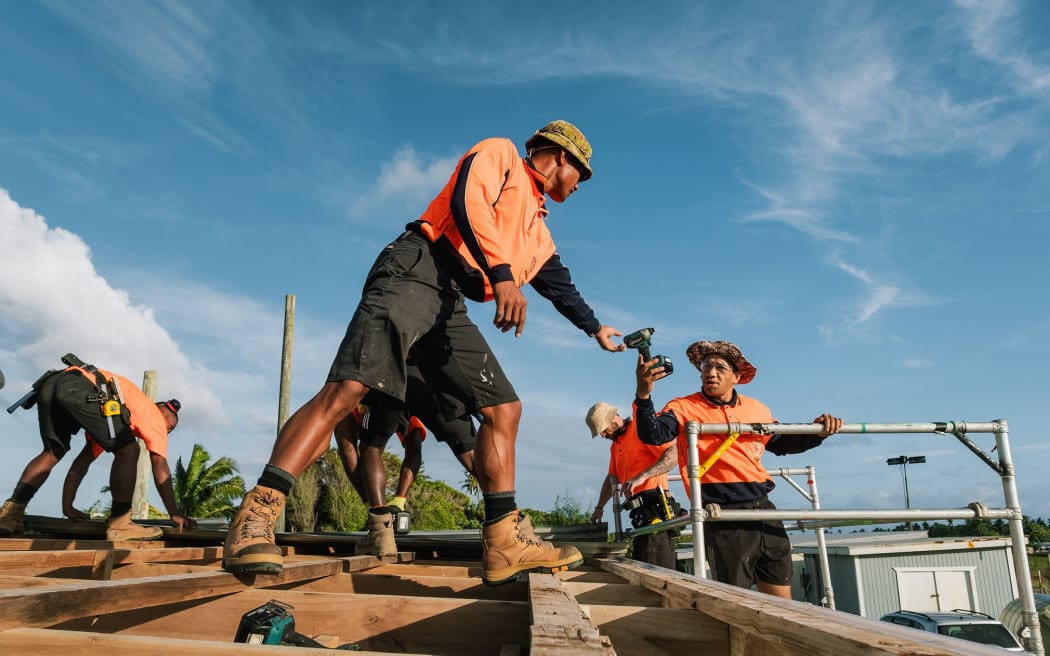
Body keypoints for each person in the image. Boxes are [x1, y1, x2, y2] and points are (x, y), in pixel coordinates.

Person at [223, 120, 624, 585]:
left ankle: (503, 542)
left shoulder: (536, 228)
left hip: (449, 299)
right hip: (417, 266)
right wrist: (503, 276)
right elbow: (468, 203)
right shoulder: (502, 156)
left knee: (503, 408)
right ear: (560, 158)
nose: (579, 187)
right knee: (349, 389)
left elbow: (559, 284)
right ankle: (256, 516)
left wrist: (594, 328)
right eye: (582, 175)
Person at [634, 340, 842, 598]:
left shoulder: (756, 408)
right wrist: (643, 395)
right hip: (723, 514)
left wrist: (818, 431)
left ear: (736, 376)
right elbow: (653, 435)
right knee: (735, 600)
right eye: (706, 366)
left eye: (720, 367)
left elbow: (781, 443)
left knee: (782, 599)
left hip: (764, 511)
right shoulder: (683, 407)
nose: (710, 372)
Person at [0, 359, 193, 541]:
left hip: (54, 382)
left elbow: (80, 465)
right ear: (163, 413)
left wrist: (68, 506)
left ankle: (10, 515)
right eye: (170, 427)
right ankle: (121, 524)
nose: (167, 432)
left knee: (52, 452)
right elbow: (160, 469)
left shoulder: (116, 416)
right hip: (81, 387)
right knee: (129, 449)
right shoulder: (155, 416)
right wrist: (174, 513)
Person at [586, 400, 679, 568]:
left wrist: (644, 476)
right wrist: (599, 507)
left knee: (657, 570)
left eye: (603, 430)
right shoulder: (615, 446)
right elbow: (611, 478)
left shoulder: (640, 429)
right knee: (642, 565)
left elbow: (673, 453)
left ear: (613, 419)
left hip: (656, 506)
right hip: (639, 512)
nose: (603, 435)